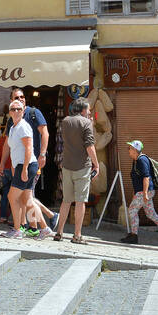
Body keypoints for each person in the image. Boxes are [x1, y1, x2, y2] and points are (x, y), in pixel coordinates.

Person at [0, 88, 54, 233]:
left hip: (29, 164)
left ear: (23, 108)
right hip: (22, 164)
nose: (19, 100)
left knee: (15, 196)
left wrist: (42, 154)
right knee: (26, 198)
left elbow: (44, 134)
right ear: (11, 103)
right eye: (16, 98)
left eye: (22, 97)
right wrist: (4, 163)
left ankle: (22, 228)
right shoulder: (12, 124)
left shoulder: (30, 118)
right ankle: (39, 227)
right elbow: (7, 145)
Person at [54, 99, 98, 244]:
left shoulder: (65, 121)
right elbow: (89, 146)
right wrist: (96, 164)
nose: (90, 112)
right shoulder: (86, 123)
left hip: (67, 165)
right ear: (83, 110)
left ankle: (59, 232)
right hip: (82, 167)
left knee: (66, 200)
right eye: (89, 110)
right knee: (80, 201)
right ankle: (77, 235)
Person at [121, 140, 158, 246]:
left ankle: (134, 236)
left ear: (135, 150)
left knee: (132, 210)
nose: (128, 150)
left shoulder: (142, 160)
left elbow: (146, 177)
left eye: (130, 148)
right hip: (142, 192)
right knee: (151, 214)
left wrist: (144, 193)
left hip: (145, 191)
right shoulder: (136, 161)